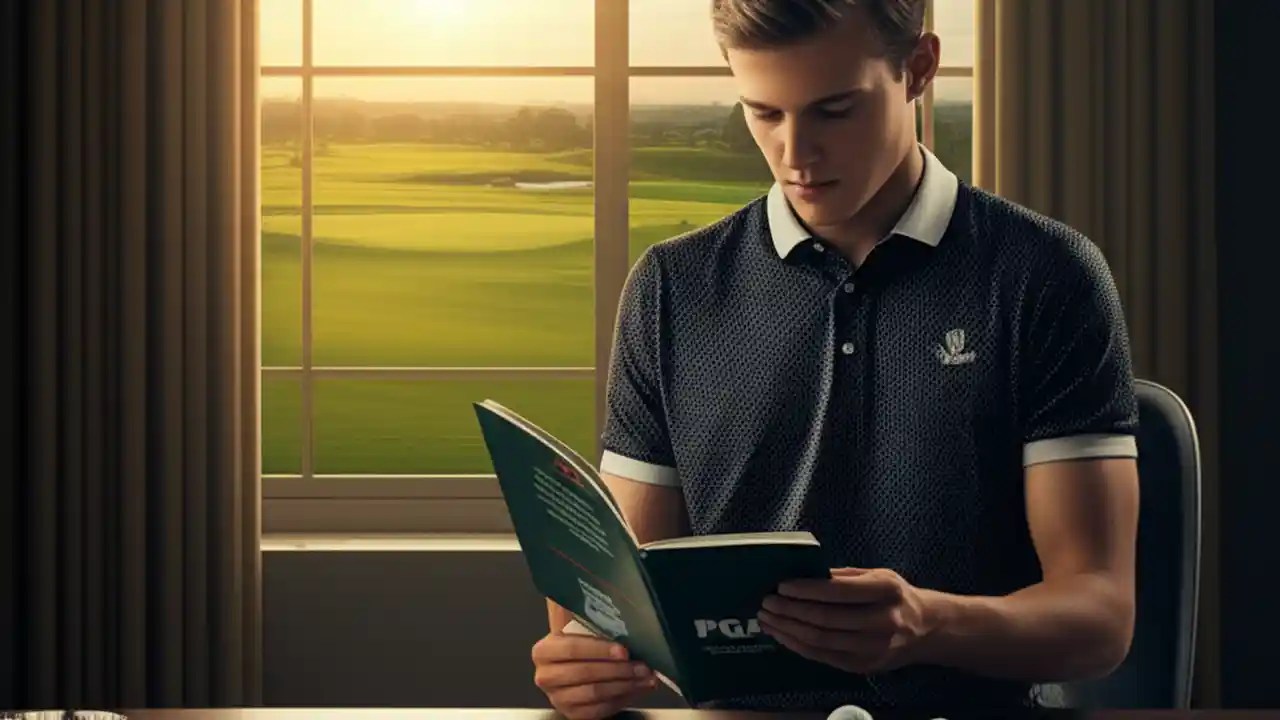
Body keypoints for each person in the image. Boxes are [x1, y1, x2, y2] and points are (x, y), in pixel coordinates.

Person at [529, 0, 1140, 717]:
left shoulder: (1046, 275)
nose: (796, 154)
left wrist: (929, 624)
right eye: (764, 114)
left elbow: (1100, 615)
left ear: (918, 69)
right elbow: (614, 600)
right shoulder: (672, 288)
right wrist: (585, 660)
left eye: (835, 111)